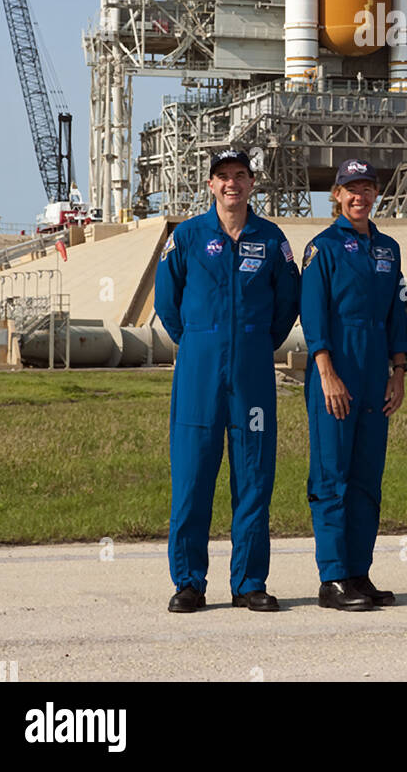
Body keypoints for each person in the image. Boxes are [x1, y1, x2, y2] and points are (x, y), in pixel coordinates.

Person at [154, 147, 299, 613]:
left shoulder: (272, 239)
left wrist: (255, 341)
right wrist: (199, 340)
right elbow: (166, 300)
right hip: (200, 367)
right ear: (211, 185)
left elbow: (287, 304)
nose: (232, 183)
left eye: (240, 175)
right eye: (223, 176)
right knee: (192, 477)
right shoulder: (189, 236)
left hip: (253, 370)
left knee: (254, 475)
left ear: (252, 183)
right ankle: (189, 582)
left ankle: (249, 582)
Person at [300, 158, 407, 611]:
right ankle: (332, 578)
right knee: (333, 476)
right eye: (351, 189)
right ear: (337, 196)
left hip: (374, 375)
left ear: (375, 193)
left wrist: (399, 372)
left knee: (366, 478)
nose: (359, 196)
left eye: (366, 188)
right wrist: (326, 371)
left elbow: (394, 314)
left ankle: (358, 572)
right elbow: (313, 313)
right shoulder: (321, 248)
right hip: (336, 372)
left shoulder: (388, 249)